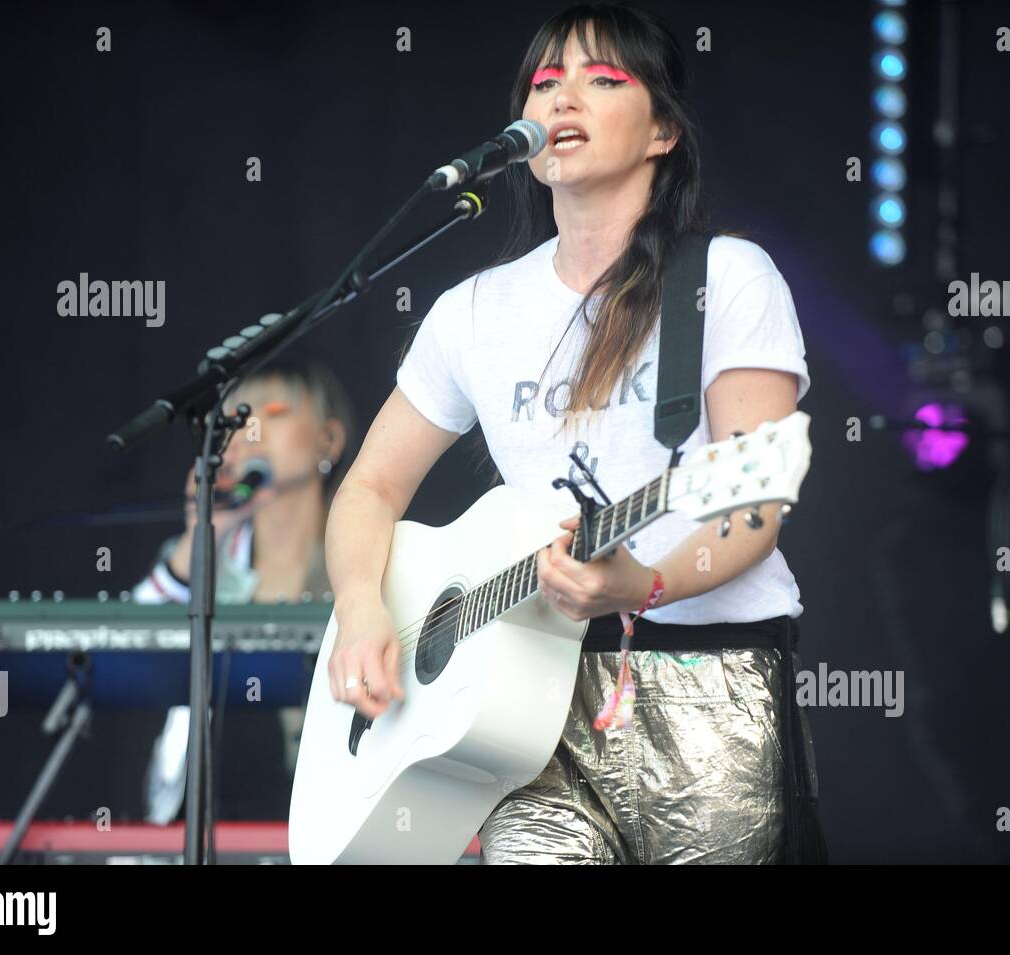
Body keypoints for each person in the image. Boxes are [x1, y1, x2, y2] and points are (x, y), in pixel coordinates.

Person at [324, 3, 820, 863]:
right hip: (524, 699)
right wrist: (362, 605)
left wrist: (645, 581)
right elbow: (369, 486)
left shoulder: (729, 280)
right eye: (545, 81)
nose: (563, 98)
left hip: (708, 682)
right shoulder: (474, 311)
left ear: (664, 129)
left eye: (602, 78)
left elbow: (753, 504)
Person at [133, 360, 360, 823]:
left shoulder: (363, 557)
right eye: (240, 417)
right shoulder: (209, 556)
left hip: (334, 812)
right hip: (214, 812)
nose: (251, 430)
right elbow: (127, 646)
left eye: (274, 412)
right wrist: (201, 534)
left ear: (329, 441)